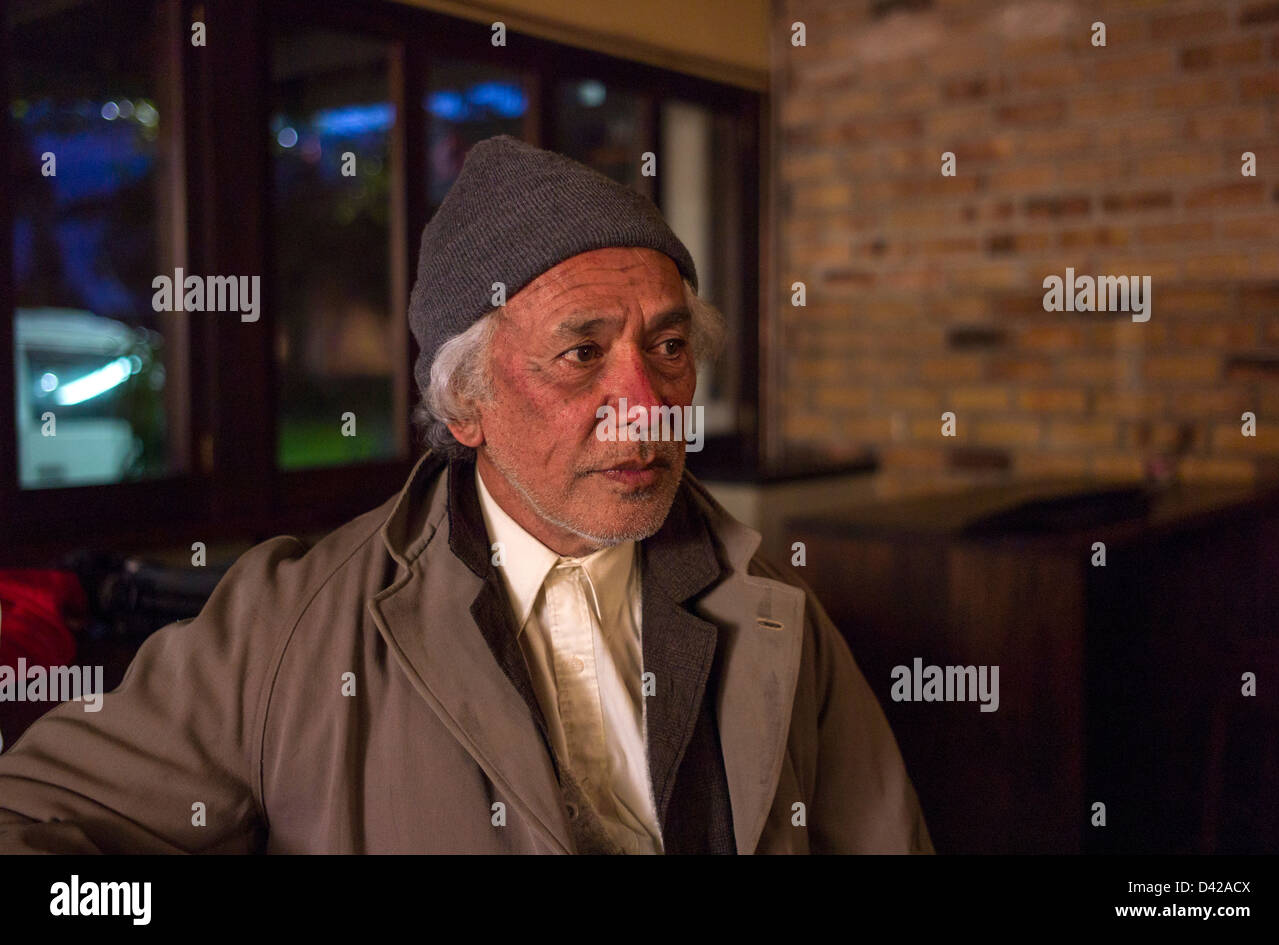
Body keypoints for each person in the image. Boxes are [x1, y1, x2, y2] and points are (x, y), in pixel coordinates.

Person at [0, 136, 932, 854]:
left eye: (670, 347)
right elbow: (28, 815)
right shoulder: (289, 629)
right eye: (582, 353)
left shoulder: (771, 606)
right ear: (466, 402)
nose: (648, 407)